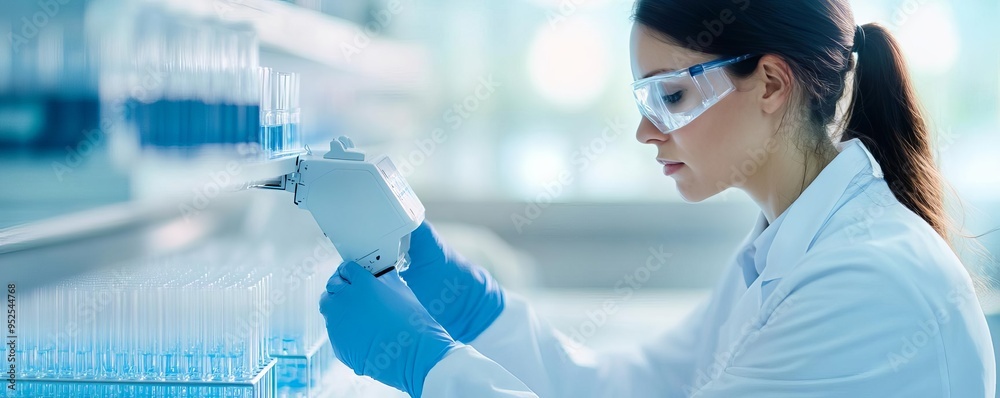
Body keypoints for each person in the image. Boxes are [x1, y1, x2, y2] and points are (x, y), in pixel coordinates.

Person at [318, 0, 997, 396]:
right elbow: (634, 389)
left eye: (671, 94)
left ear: (770, 84)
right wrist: (473, 312)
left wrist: (431, 367)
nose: (646, 131)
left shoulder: (865, 283)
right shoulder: (783, 248)